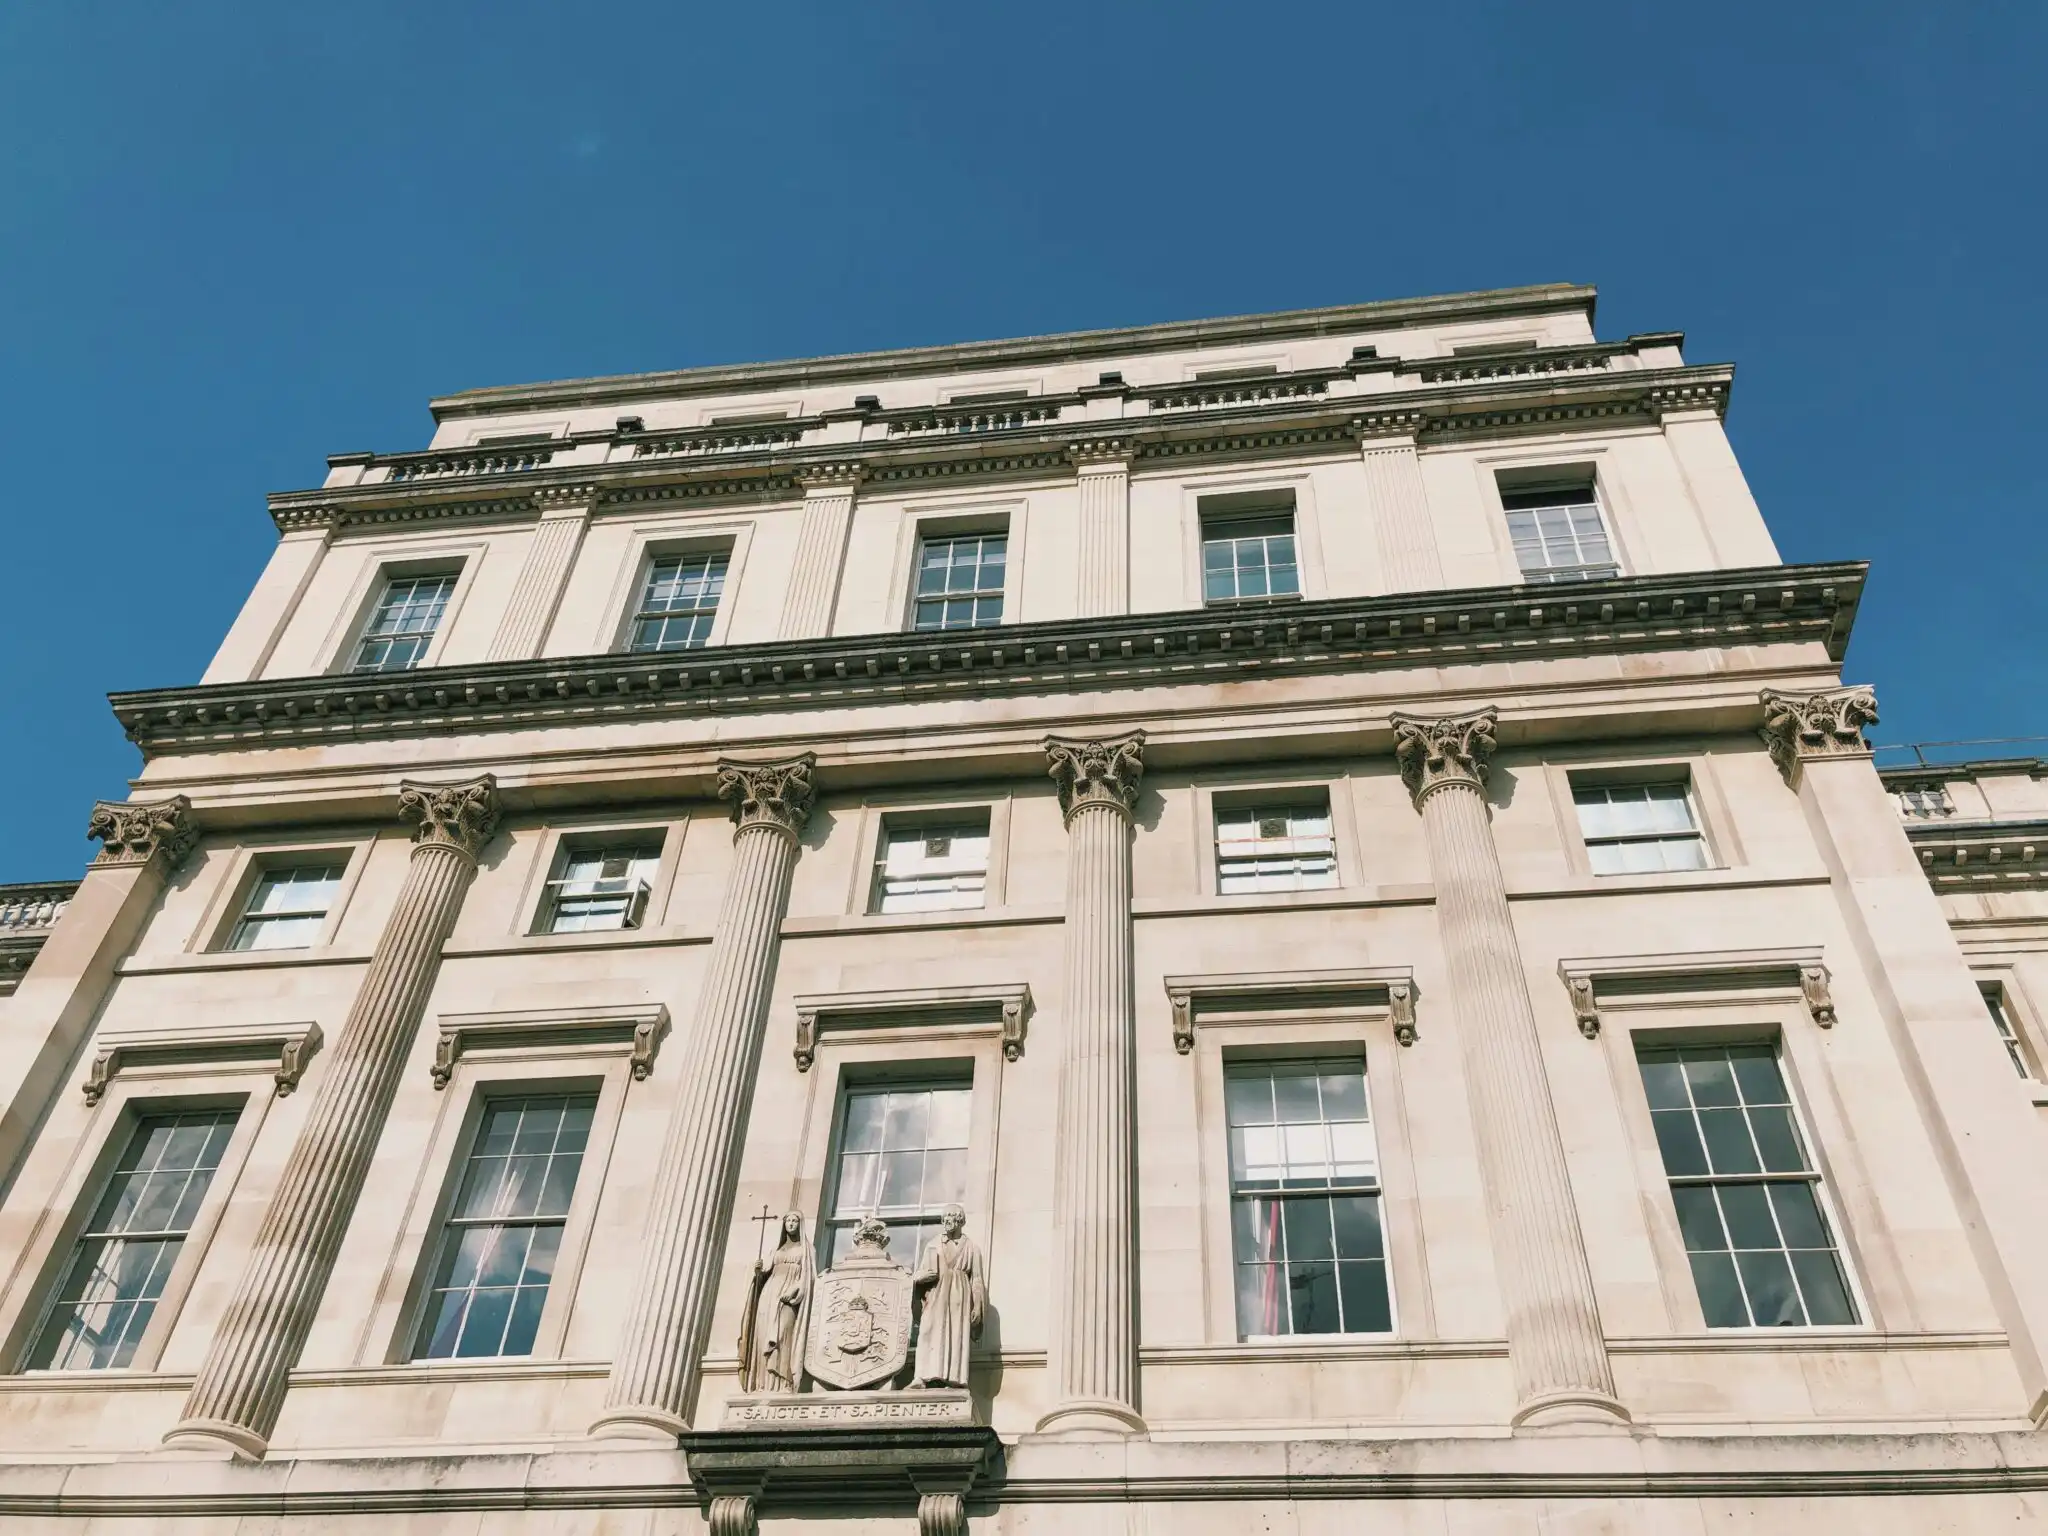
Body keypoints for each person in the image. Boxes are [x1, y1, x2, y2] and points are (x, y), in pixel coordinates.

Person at [910, 1204, 985, 1389]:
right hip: (935, 1293)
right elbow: (920, 1273)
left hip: (959, 1294)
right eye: (945, 1217)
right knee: (927, 1331)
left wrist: (978, 1305)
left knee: (956, 1334)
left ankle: (955, 1378)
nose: (948, 1221)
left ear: (960, 1220)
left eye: (952, 1217)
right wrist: (918, 1278)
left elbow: (977, 1279)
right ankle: (920, 1377)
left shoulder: (972, 1248)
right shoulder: (933, 1244)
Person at [738, 1211, 813, 1393]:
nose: (791, 1224)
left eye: (795, 1221)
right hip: (769, 1295)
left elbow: (808, 1278)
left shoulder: (807, 1250)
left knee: (782, 1334)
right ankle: (762, 1383)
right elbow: (765, 1273)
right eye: (788, 1221)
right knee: (763, 1335)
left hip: (788, 1299)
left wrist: (795, 1289)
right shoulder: (776, 1250)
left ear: (800, 1224)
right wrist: (758, 1272)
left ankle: (782, 1382)